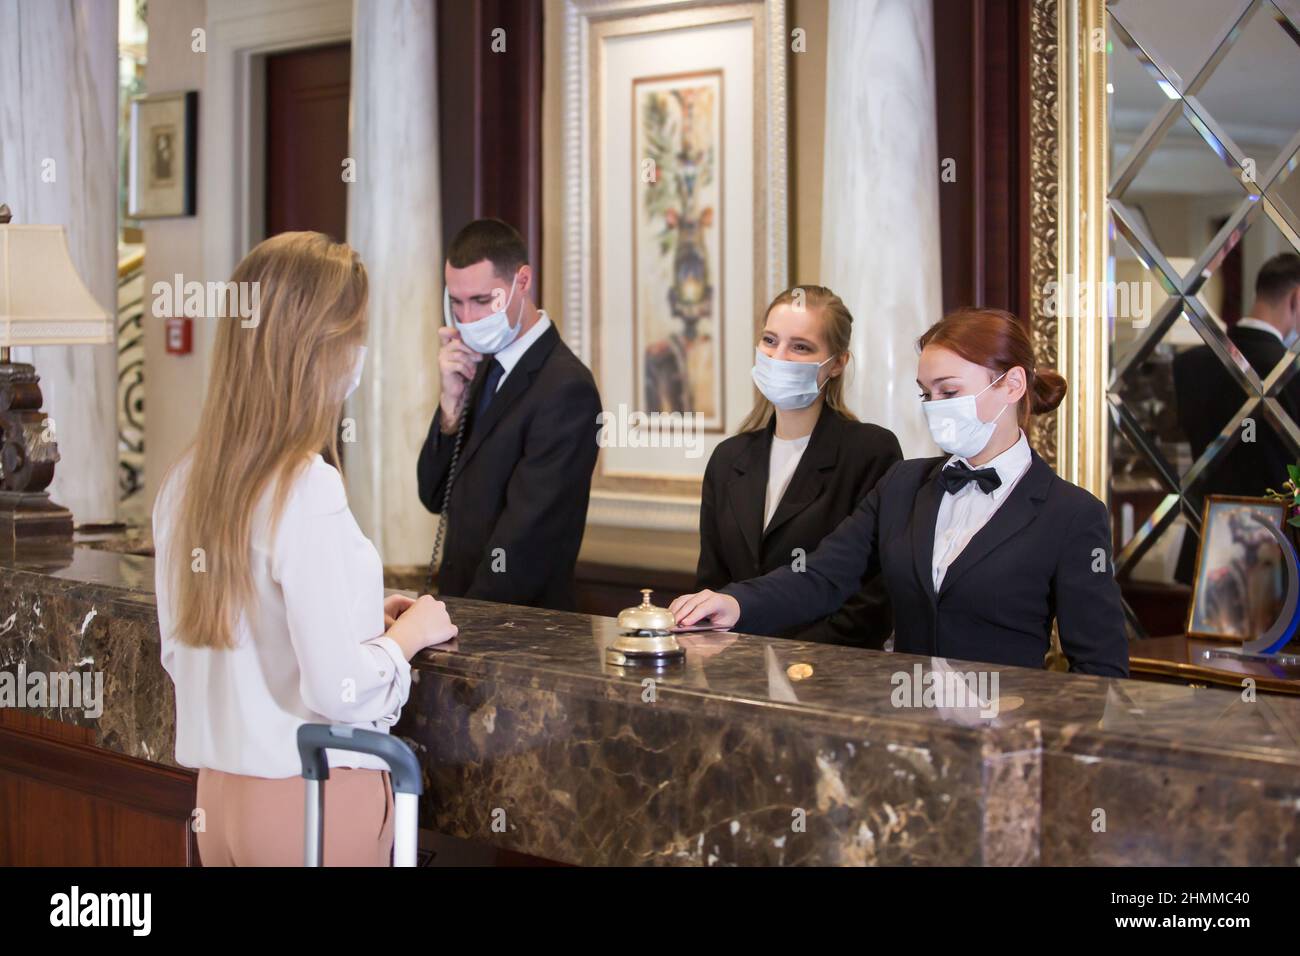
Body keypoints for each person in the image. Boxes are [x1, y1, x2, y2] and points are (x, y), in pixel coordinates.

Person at [154, 232, 458, 866]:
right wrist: (408, 637)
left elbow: (201, 647)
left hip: (220, 801)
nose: (361, 352)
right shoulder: (305, 484)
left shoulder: (184, 484)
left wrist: (356, 616)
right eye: (355, 331)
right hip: (310, 801)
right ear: (316, 347)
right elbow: (339, 690)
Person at [671, 307, 1129, 677]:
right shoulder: (903, 485)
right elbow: (822, 576)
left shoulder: (1071, 514)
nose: (935, 407)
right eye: (926, 393)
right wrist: (735, 602)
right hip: (907, 734)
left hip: (1007, 746)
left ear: (1011, 384)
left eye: (948, 390)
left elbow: (1100, 667)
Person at [696, 285, 901, 647]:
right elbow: (711, 584)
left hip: (827, 673)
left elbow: (874, 597)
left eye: (801, 347)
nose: (780, 357)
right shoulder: (729, 459)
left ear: (837, 363)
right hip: (737, 670)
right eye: (770, 341)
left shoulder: (870, 452)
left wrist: (791, 664)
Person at [417, 218, 602, 611]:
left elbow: (526, 542)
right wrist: (450, 407)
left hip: (518, 632)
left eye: (484, 301)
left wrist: (460, 625)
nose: (467, 319)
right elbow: (433, 494)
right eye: (456, 302)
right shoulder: (478, 368)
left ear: (522, 281)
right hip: (461, 616)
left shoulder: (566, 388)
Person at [1173, 252, 1300, 582]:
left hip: (1205, 547)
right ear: (1296, 298)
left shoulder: (1190, 364)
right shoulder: (1290, 371)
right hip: (1276, 554)